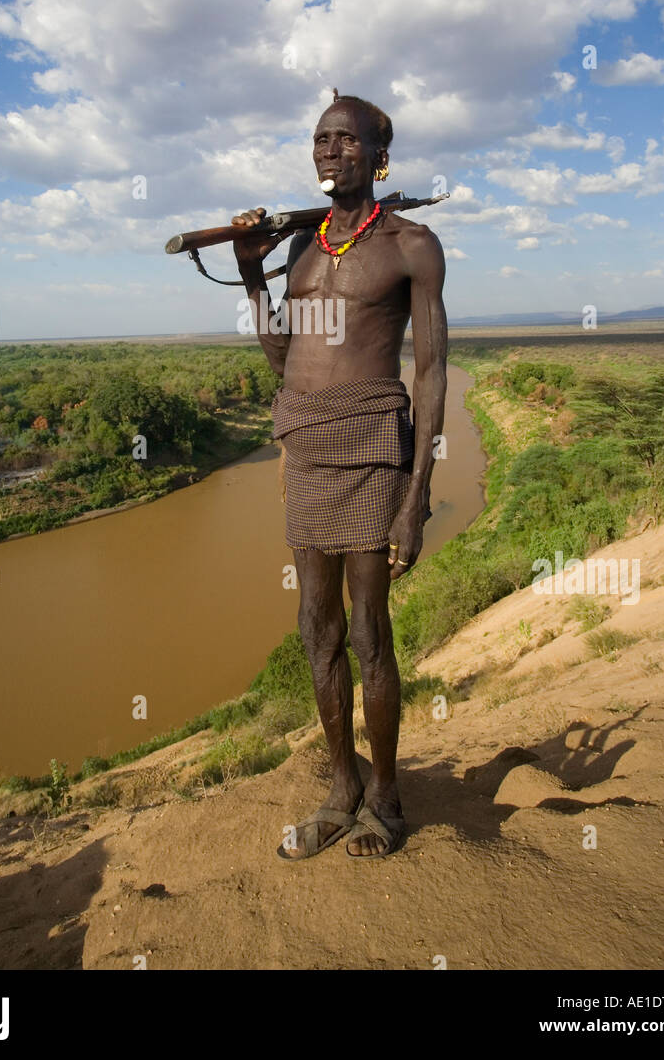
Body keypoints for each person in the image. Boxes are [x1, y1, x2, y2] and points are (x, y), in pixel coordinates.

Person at [232, 89, 447, 859]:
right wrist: (255, 279)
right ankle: (341, 788)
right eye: (321, 139)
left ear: (378, 156)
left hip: (373, 449)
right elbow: (283, 357)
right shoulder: (303, 248)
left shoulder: (411, 245)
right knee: (314, 631)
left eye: (346, 140)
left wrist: (416, 496)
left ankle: (386, 801)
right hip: (309, 447)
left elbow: (429, 373)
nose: (330, 150)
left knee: (368, 633)